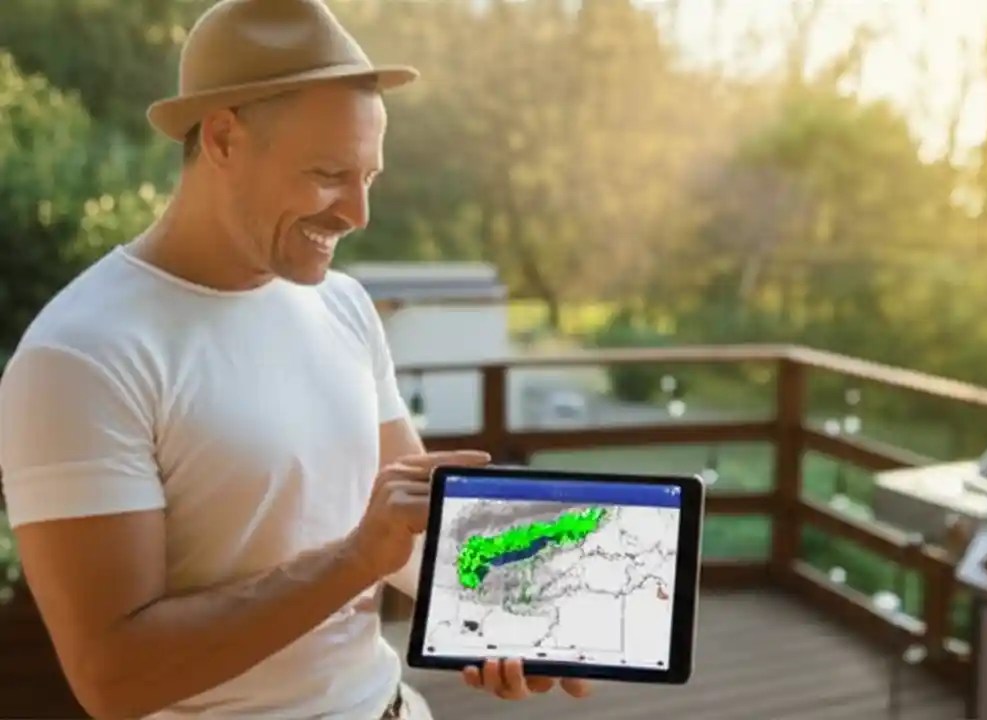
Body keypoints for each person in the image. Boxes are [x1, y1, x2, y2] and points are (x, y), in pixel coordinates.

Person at [0, 0, 591, 717]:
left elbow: (413, 533)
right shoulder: (79, 357)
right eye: (328, 172)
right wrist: (354, 560)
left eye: (368, 177)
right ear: (223, 138)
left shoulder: (344, 304)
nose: (357, 215)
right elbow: (112, 679)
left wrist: (520, 624)